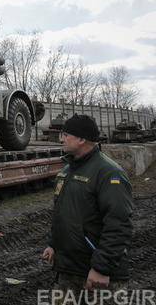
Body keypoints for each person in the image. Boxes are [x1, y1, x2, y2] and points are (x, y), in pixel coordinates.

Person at [42, 114, 133, 303]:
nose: (61, 139)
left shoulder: (109, 173)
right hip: (68, 271)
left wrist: (101, 268)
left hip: (98, 277)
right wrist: (54, 244)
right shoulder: (67, 171)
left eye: (66, 135)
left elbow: (119, 224)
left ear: (82, 139)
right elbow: (63, 213)